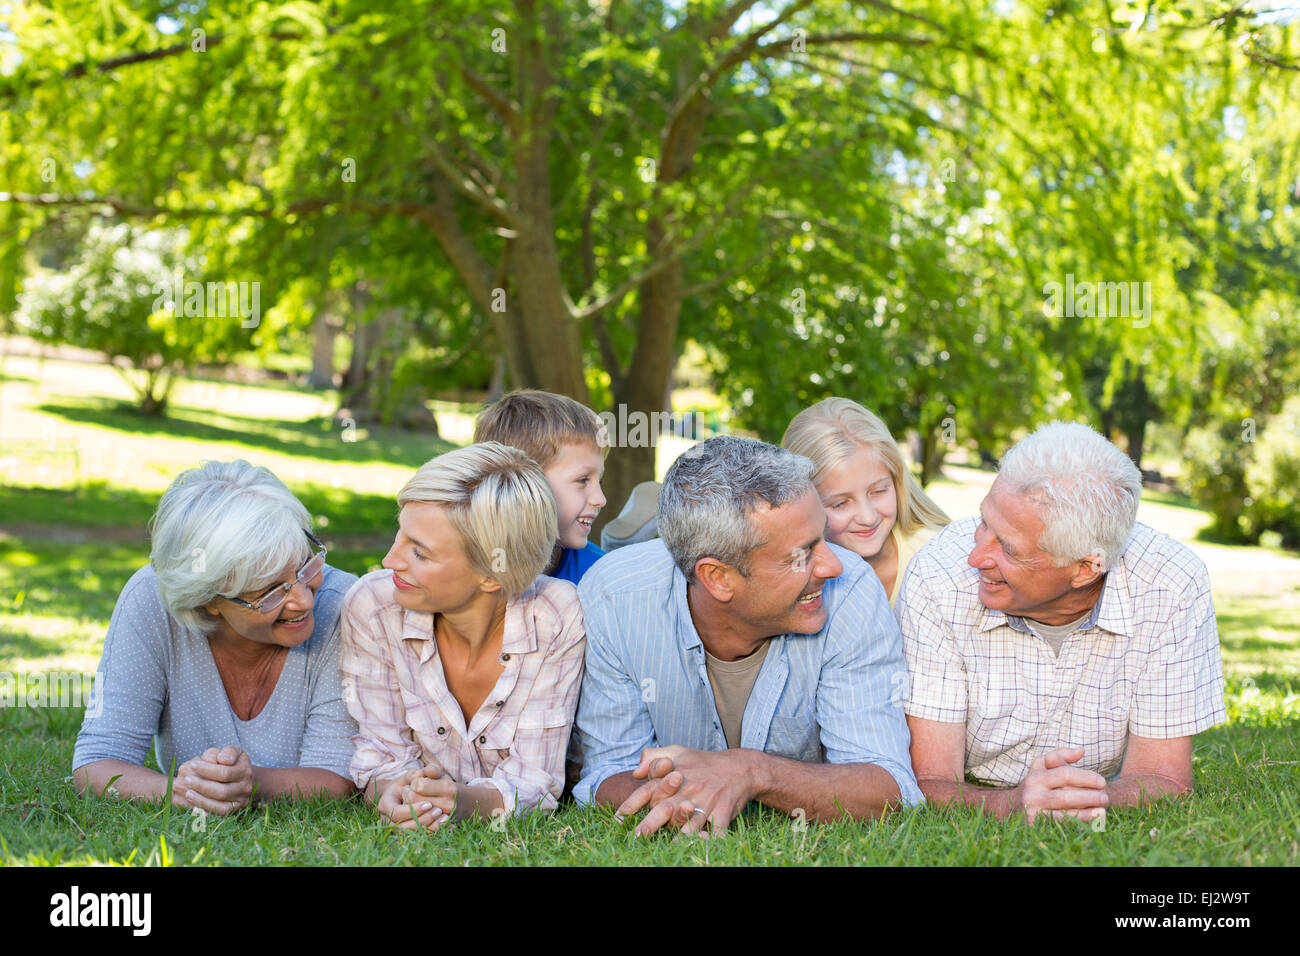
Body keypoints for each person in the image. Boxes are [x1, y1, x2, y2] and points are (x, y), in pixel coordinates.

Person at [573, 435, 921, 837]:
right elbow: (608, 773)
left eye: (822, 537)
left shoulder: (852, 593)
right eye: (801, 554)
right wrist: (691, 789)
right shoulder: (616, 598)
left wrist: (752, 771)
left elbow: (888, 787)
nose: (833, 566)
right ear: (717, 578)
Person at [899, 422, 1226, 824]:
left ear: (1085, 568)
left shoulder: (1173, 586)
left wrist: (1075, 800)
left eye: (1008, 549)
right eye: (984, 523)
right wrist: (1011, 805)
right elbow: (926, 780)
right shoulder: (938, 577)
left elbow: (1163, 778)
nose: (976, 558)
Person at [72, 460, 358, 814]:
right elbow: (97, 763)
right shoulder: (150, 601)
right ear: (208, 601)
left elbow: (339, 778)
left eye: (305, 566)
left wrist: (252, 785)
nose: (303, 599)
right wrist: (182, 792)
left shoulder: (345, 608)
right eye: (271, 591)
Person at [339, 442, 585, 830]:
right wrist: (392, 794)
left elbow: (536, 782)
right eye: (400, 535)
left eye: (420, 553)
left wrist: (460, 802)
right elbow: (380, 755)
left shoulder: (555, 616)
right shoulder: (374, 606)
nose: (390, 561)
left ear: (491, 575)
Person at [783, 397, 949, 605]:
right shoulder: (792, 577)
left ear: (897, 481)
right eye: (840, 504)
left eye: (878, 491)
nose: (868, 517)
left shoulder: (939, 559)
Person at [473, 389, 607, 585]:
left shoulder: (597, 572)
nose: (600, 499)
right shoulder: (466, 562)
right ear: (520, 481)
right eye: (582, 480)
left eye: (599, 481)